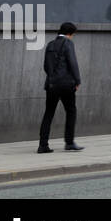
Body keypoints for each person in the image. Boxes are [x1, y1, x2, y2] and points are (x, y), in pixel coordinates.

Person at [38, 22, 83, 153]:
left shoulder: (50, 44)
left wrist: (52, 77)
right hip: (66, 85)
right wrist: (77, 80)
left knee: (49, 113)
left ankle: (43, 145)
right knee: (71, 111)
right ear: (70, 33)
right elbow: (72, 62)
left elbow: (46, 66)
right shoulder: (68, 43)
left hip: (51, 84)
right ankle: (69, 143)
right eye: (73, 35)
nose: (72, 37)